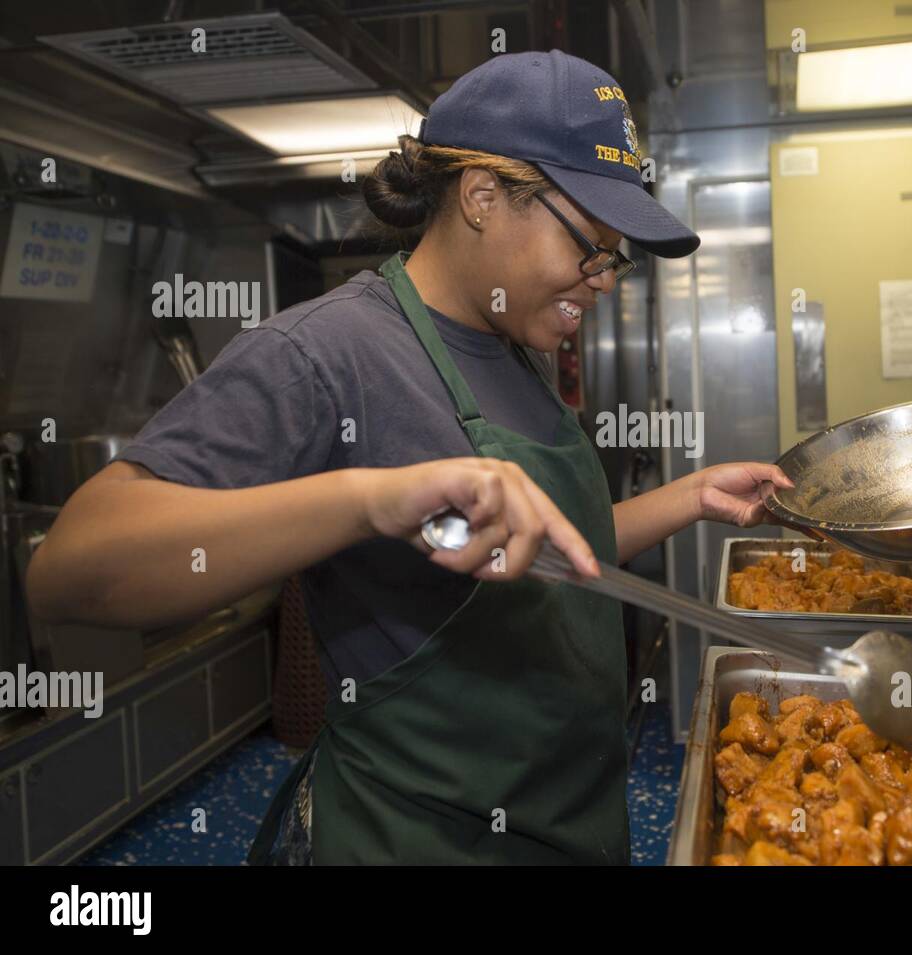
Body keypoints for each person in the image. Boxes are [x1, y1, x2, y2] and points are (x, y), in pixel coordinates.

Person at [26, 49, 792, 865]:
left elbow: (552, 556)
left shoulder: (515, 349)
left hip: (569, 829)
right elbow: (69, 572)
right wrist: (366, 498)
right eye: (588, 245)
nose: (601, 280)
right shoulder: (325, 353)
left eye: (614, 257)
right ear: (483, 196)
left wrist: (691, 498)